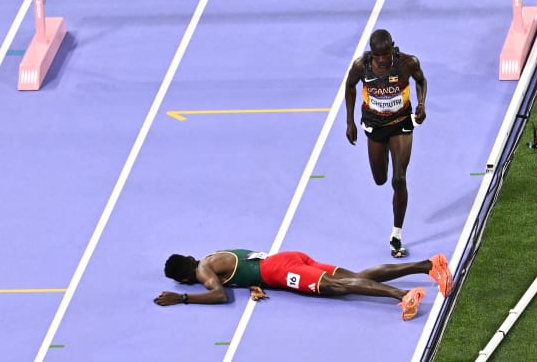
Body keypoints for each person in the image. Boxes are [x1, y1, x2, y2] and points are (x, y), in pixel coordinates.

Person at [154, 248, 452, 322]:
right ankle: (429, 265)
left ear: (185, 278)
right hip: (287, 258)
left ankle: (403, 295)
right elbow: (245, 266)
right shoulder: (212, 257)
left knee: (341, 286)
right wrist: (253, 284)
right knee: (360, 277)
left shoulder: (204, 270)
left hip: (280, 271)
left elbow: (218, 294)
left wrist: (183, 298)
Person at [344, 29, 428, 258]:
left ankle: (396, 235)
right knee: (380, 179)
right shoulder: (361, 66)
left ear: (393, 47)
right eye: (378, 55)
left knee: (398, 178)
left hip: (400, 121)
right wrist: (349, 122)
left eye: (386, 54)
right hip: (374, 123)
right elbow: (350, 87)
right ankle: (386, 156)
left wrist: (421, 104)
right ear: (372, 53)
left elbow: (421, 80)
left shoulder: (408, 63)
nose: (382, 60)